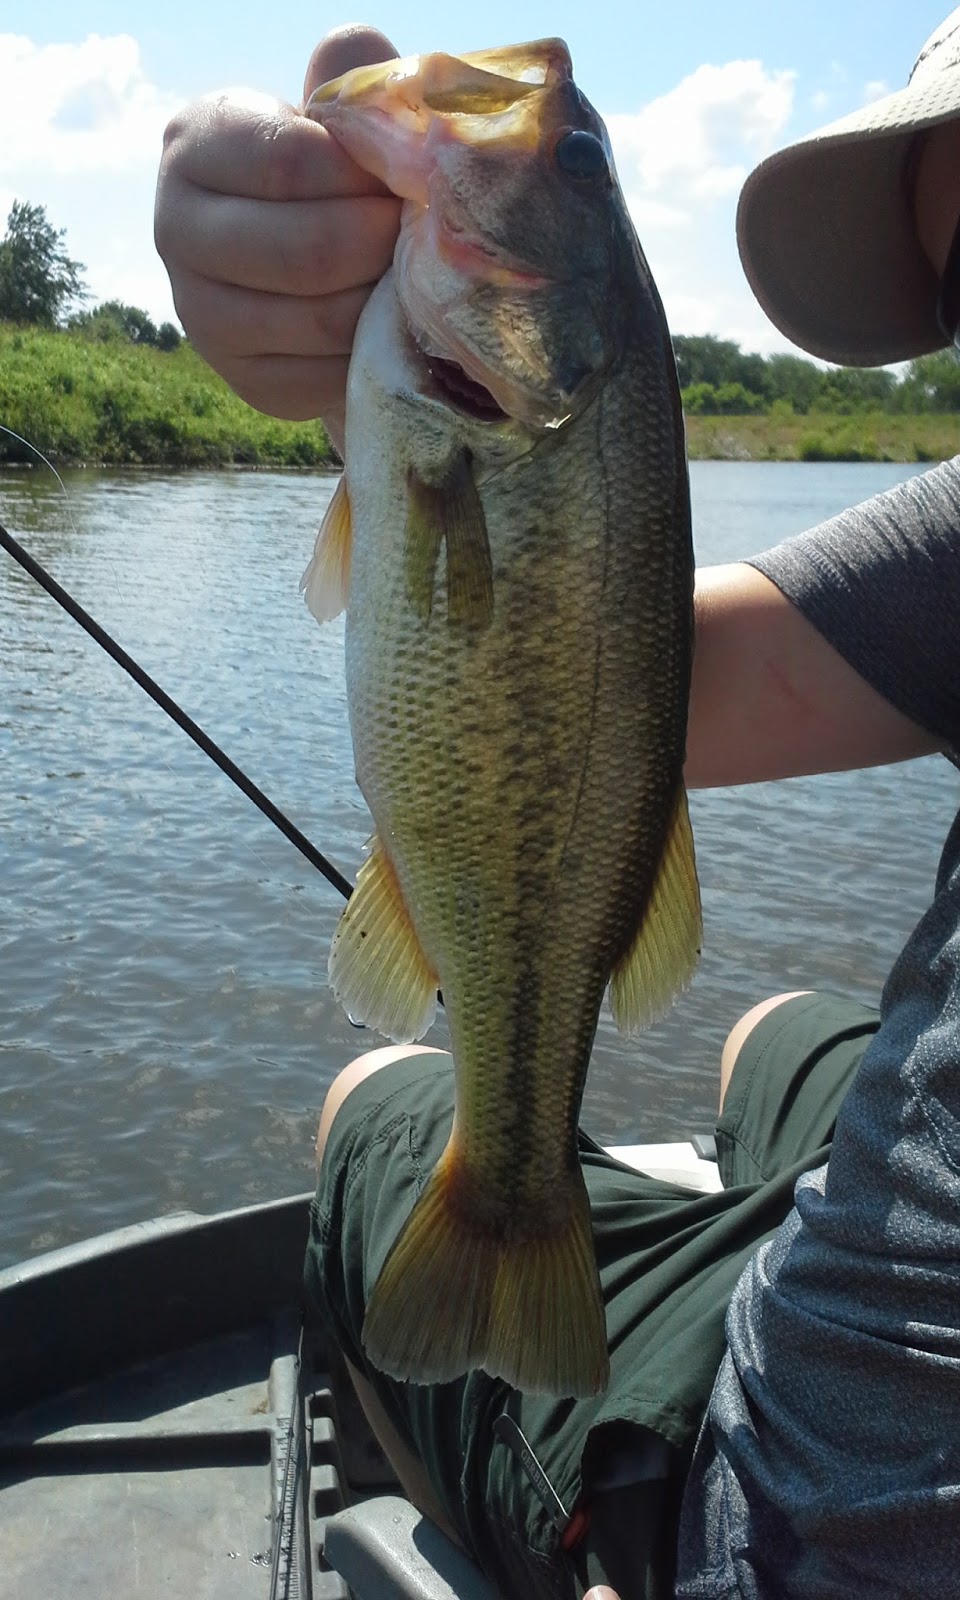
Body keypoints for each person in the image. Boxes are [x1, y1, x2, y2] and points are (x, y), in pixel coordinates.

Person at [155, 12, 960, 1597]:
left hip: (824, 1520)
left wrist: (402, 406)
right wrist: (366, 398)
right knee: (772, 1029)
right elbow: (630, 682)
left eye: (572, 161)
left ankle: (558, 1407)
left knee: (376, 1098)